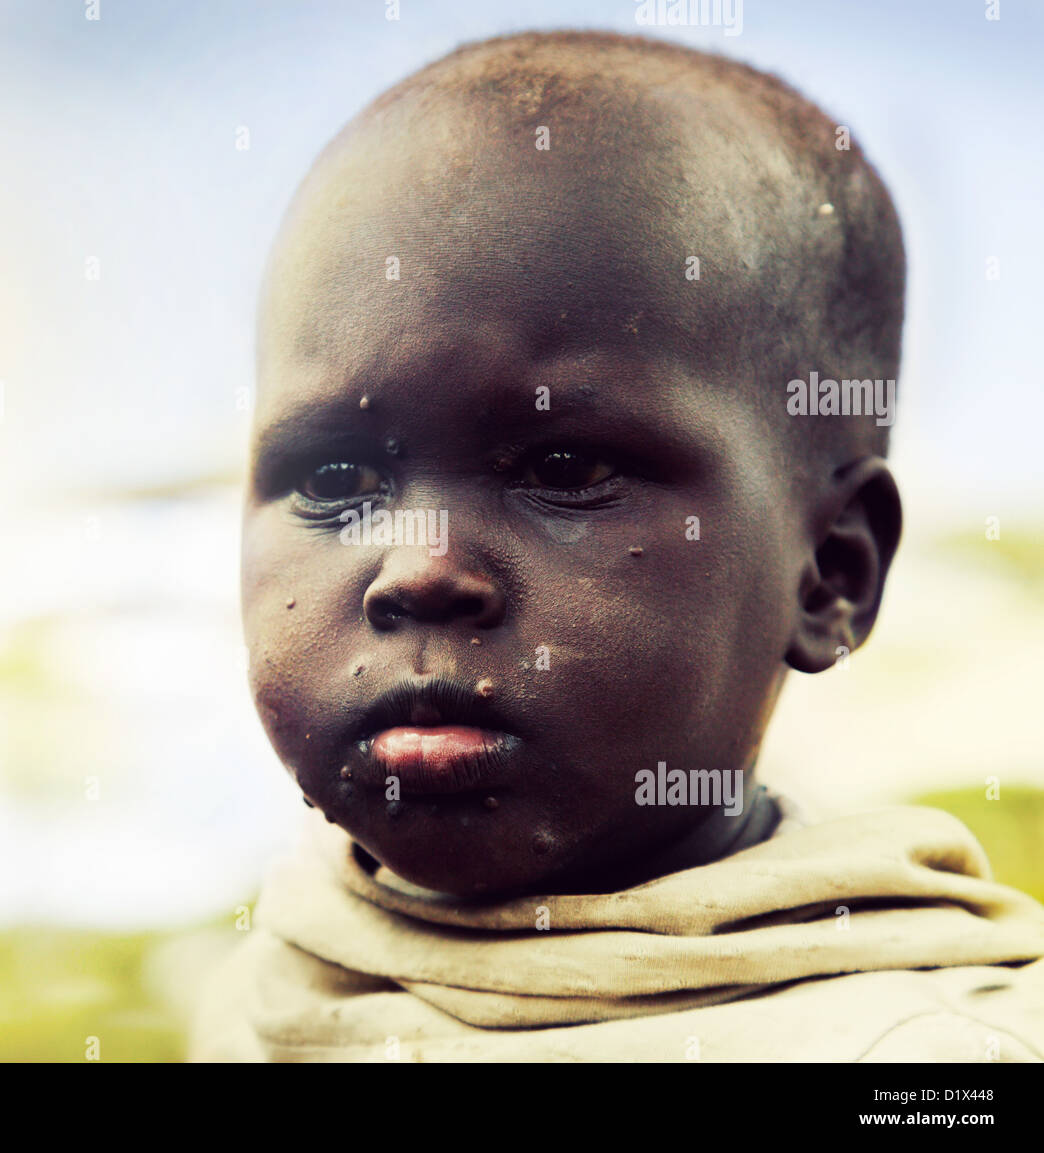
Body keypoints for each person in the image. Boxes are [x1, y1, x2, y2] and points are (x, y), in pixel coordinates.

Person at [192, 29, 1044, 1061]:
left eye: (561, 471)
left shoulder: (938, 1055)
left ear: (831, 572)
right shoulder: (261, 995)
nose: (418, 568)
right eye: (336, 480)